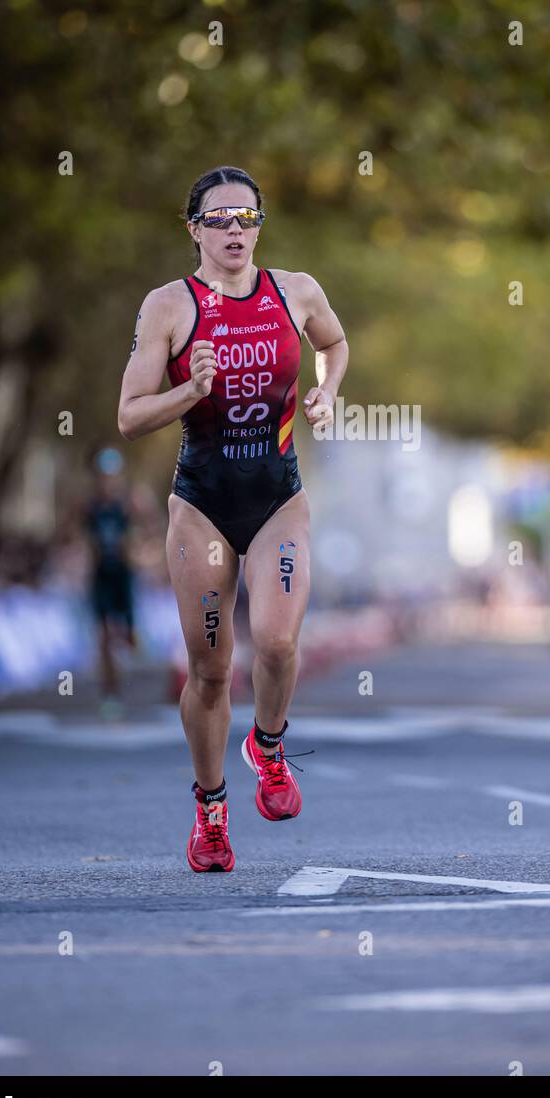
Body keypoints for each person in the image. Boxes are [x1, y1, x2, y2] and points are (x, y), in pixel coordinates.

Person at [117, 166, 348, 871]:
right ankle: (211, 811)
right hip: (202, 506)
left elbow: (334, 345)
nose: (234, 231)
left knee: (276, 646)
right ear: (193, 230)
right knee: (212, 671)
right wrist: (190, 388)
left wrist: (327, 392)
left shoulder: (296, 290)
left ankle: (269, 748)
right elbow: (128, 416)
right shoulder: (169, 306)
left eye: (246, 217)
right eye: (218, 219)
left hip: (278, 497)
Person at [85, 448, 136, 716]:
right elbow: (74, 536)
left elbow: (151, 531)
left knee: (127, 637)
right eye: (103, 477)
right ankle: (110, 691)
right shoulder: (88, 506)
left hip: (125, 576)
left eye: (112, 477)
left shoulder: (129, 504)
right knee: (103, 635)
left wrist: (141, 552)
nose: (108, 482)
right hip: (101, 576)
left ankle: (125, 665)